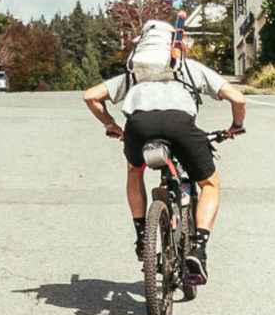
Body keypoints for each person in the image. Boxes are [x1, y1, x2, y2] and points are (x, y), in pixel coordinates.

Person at [82, 17, 247, 284]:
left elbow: (90, 96)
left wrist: (111, 124)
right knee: (209, 184)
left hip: (138, 125)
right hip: (180, 125)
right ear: (176, 45)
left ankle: (141, 237)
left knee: (134, 171)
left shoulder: (134, 74)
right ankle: (198, 249)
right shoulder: (189, 68)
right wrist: (236, 125)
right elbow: (238, 98)